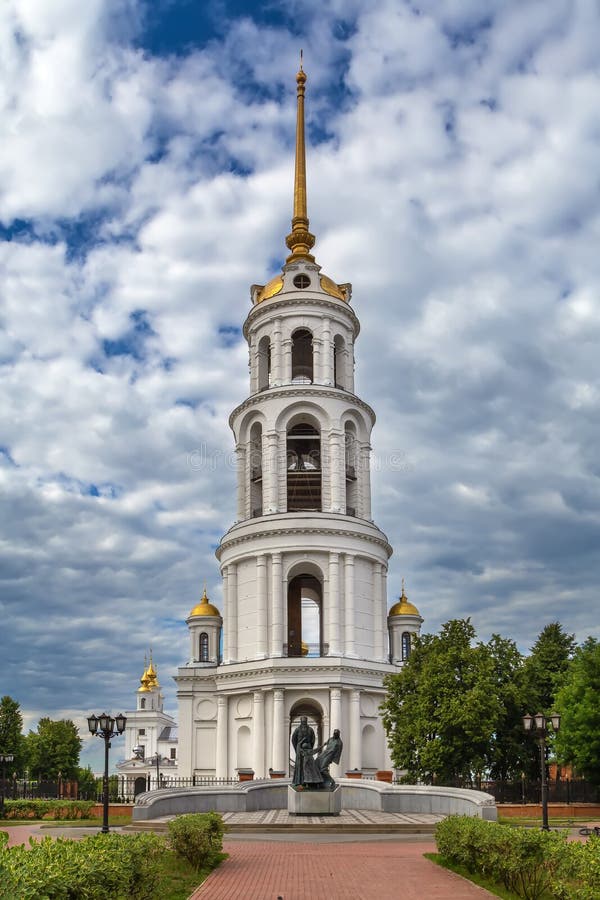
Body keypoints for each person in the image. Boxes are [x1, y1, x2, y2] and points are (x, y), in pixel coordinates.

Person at [291, 717, 316, 786]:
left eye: (305, 722)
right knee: (300, 766)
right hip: (300, 751)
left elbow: (313, 740)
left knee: (308, 766)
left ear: (307, 722)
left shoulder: (310, 730)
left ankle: (309, 781)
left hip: (307, 751)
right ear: (301, 722)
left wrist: (310, 748)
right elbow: (293, 739)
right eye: (303, 722)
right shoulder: (297, 730)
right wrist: (297, 748)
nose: (304, 723)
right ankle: (299, 781)